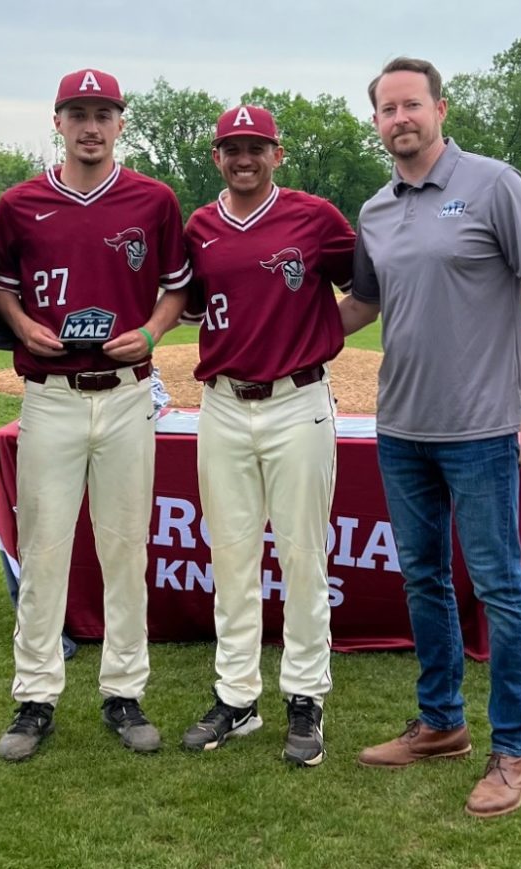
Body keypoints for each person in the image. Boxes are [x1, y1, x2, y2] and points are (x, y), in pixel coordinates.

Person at [340, 57, 521, 817]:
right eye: (386, 109)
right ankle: (441, 724)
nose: (399, 118)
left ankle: (513, 749)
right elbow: (361, 306)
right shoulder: (375, 209)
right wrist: (262, 323)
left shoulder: (493, 183)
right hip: (401, 428)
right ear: (375, 121)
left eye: (411, 104)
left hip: (481, 430)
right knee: (423, 581)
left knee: (501, 589)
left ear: (439, 108)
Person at [0, 68, 191, 761]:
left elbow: (175, 289)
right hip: (51, 395)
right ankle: (34, 695)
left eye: (103, 112)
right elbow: (3, 289)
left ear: (120, 122)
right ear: (58, 122)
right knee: (45, 549)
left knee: (124, 547)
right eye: (78, 112)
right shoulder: (19, 203)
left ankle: (123, 691)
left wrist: (156, 331)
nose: (90, 125)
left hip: (129, 390)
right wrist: (21, 326)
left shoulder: (153, 199)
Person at [180, 106, 356, 766]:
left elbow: (364, 287)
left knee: (303, 556)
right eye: (232, 147)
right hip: (223, 403)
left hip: (297, 400)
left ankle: (306, 697)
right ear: (217, 155)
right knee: (230, 556)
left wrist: (325, 336)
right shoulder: (200, 225)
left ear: (277, 153)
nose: (243, 157)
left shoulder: (315, 217)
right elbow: (192, 305)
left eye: (256, 146)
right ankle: (237, 697)